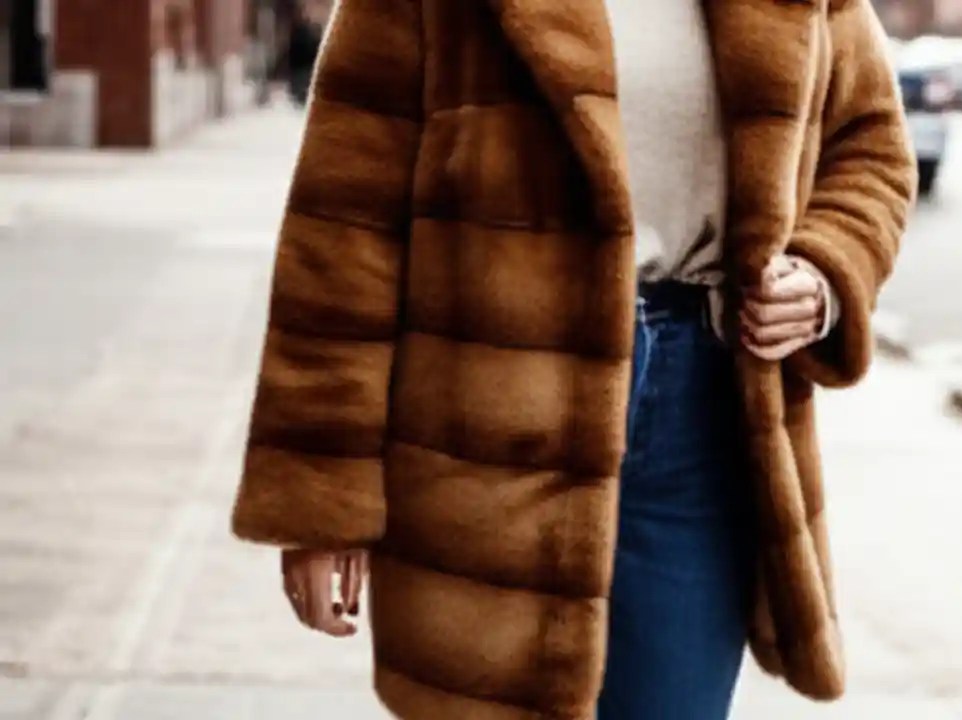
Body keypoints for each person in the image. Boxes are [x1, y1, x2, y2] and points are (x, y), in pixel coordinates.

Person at [230, 1, 915, 718]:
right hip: (485, 431)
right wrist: (320, 499)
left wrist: (824, 274)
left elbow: (869, 148)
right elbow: (343, 230)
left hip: (703, 419)